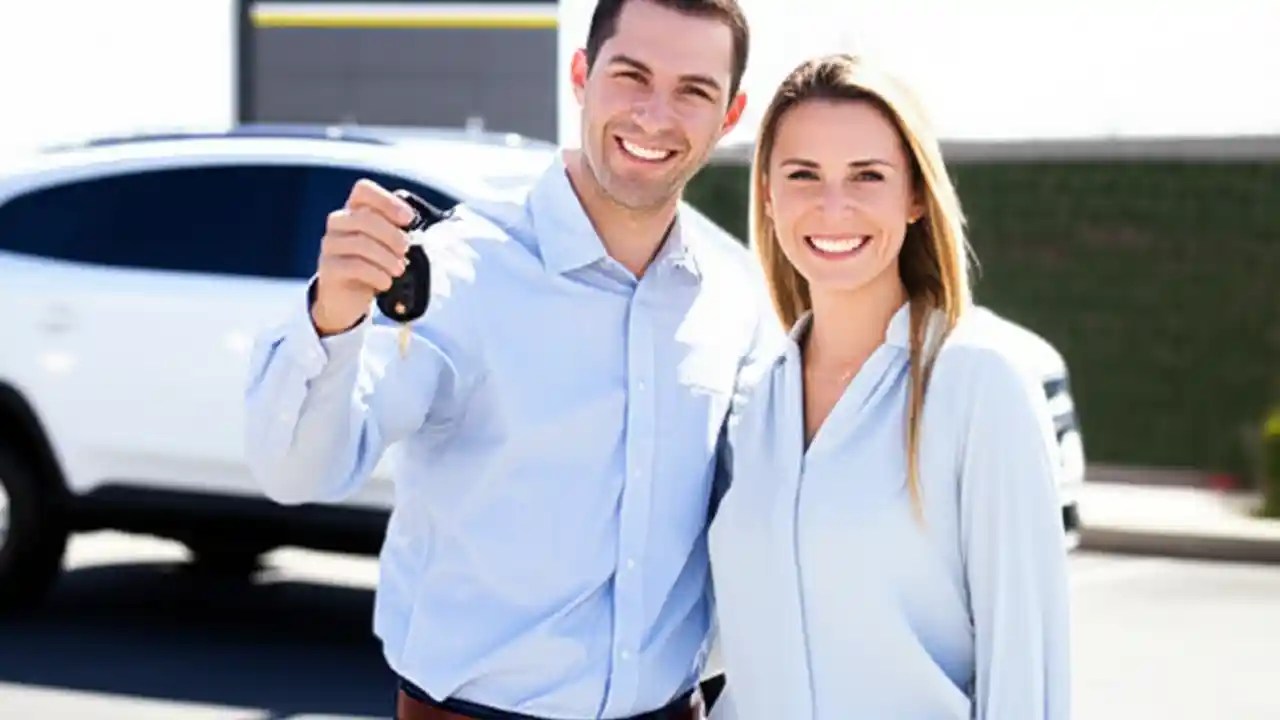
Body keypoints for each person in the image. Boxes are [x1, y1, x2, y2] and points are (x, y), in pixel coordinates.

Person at [242, 1, 773, 718]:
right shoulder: (458, 272)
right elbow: (296, 470)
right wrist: (330, 315)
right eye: (632, 75)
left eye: (693, 90)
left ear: (731, 113)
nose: (655, 115)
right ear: (582, 75)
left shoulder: (737, 293)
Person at [705, 53, 1072, 720]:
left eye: (867, 176)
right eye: (803, 175)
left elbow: (1027, 667)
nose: (833, 206)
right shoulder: (754, 403)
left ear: (913, 197)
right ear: (767, 193)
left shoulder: (979, 383)